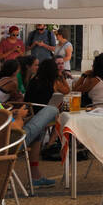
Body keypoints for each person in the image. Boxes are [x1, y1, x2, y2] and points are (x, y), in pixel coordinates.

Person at [23, 58, 68, 186]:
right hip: (39, 117)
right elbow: (67, 91)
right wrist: (61, 76)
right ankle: (52, 141)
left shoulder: (34, 80)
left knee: (36, 140)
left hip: (29, 115)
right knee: (56, 112)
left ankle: (35, 175)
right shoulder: (54, 82)